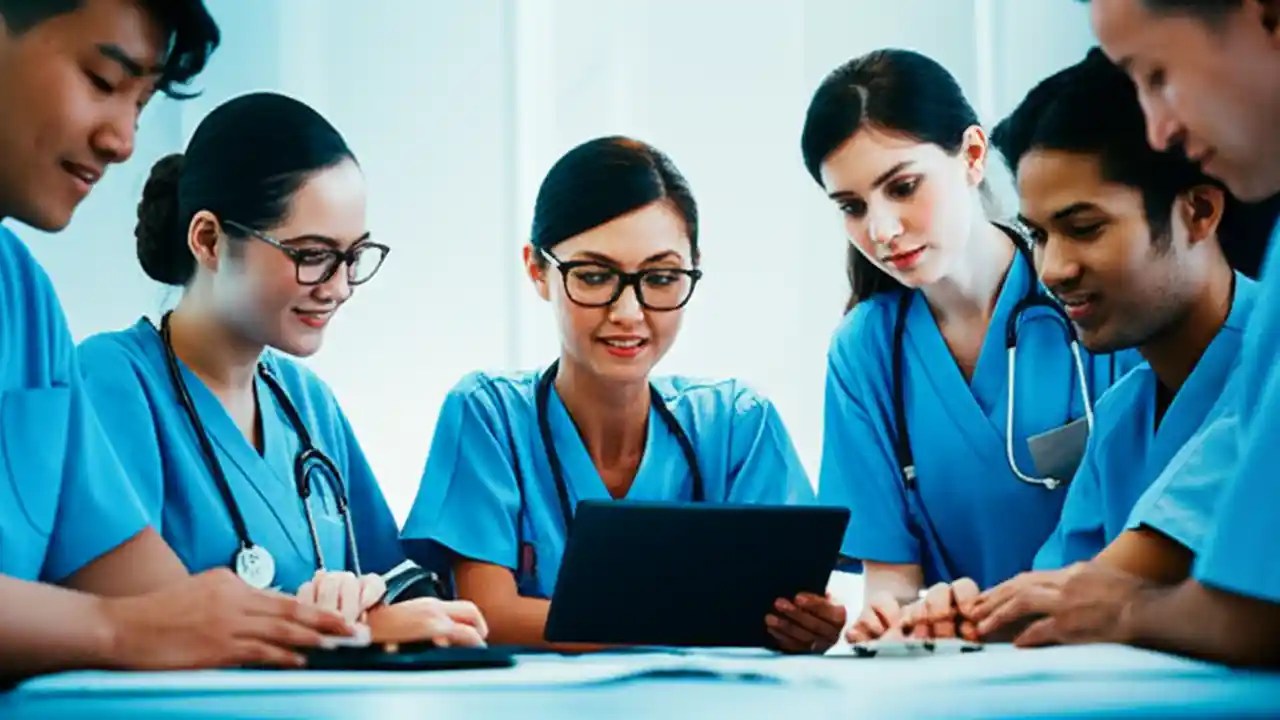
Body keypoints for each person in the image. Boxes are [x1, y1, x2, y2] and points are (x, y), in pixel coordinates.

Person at [0, 0, 366, 677]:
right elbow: (137, 618)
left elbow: (164, 600)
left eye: (140, 104)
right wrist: (114, 629)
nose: (123, 141)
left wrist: (355, 633)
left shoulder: (23, 299)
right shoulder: (116, 375)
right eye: (103, 81)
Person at [75, 91, 488, 648]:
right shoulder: (112, 382)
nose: (339, 287)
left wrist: (383, 605)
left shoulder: (307, 402)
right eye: (312, 254)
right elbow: (153, 619)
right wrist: (351, 630)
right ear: (209, 241)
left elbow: (397, 583)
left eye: (353, 257)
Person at [401, 136, 839, 652]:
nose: (628, 312)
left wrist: (808, 625)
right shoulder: (490, 413)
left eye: (660, 277)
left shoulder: (738, 423)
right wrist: (702, 622)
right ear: (537, 271)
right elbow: (487, 616)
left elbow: (778, 611)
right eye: (593, 276)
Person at [896, 47, 1274, 641]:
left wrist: (1001, 614)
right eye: (1038, 235)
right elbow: (1061, 597)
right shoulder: (1124, 415)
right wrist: (966, 615)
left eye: (1084, 228)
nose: (1051, 268)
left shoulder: (1266, 368)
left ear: (1198, 211)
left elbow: (1093, 591)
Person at [800, 48, 1137, 643]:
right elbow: (893, 583)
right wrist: (892, 617)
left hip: (1103, 647)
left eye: (902, 187)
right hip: (963, 666)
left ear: (973, 156)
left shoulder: (1090, 299)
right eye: (852, 207)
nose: (880, 230)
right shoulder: (866, 352)